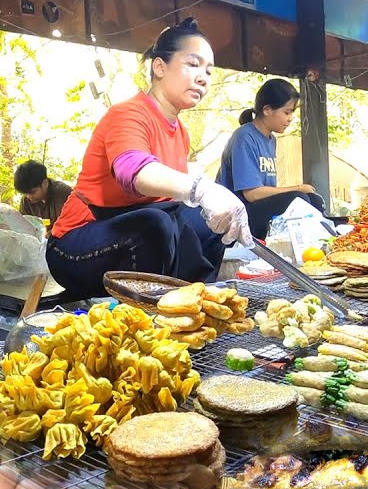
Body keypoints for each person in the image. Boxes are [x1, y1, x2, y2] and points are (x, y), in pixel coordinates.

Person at [46, 18, 249, 299]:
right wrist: (201, 189)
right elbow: (133, 171)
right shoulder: (128, 114)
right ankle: (141, 317)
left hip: (137, 230)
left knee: (212, 222)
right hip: (75, 246)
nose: (203, 78)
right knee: (154, 225)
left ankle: (195, 304)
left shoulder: (181, 133)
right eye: (193, 64)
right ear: (159, 67)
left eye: (209, 71)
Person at [216, 78, 324, 240]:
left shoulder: (271, 140)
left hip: (254, 210)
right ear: (267, 110)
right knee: (298, 198)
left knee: (314, 200)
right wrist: (299, 188)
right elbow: (252, 194)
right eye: (287, 112)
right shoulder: (244, 137)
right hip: (236, 216)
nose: (290, 118)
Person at [14, 160, 73, 227]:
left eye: (33, 192)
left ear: (45, 183)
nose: (29, 197)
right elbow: (24, 226)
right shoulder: (26, 201)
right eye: (25, 193)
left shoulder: (63, 193)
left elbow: (69, 223)